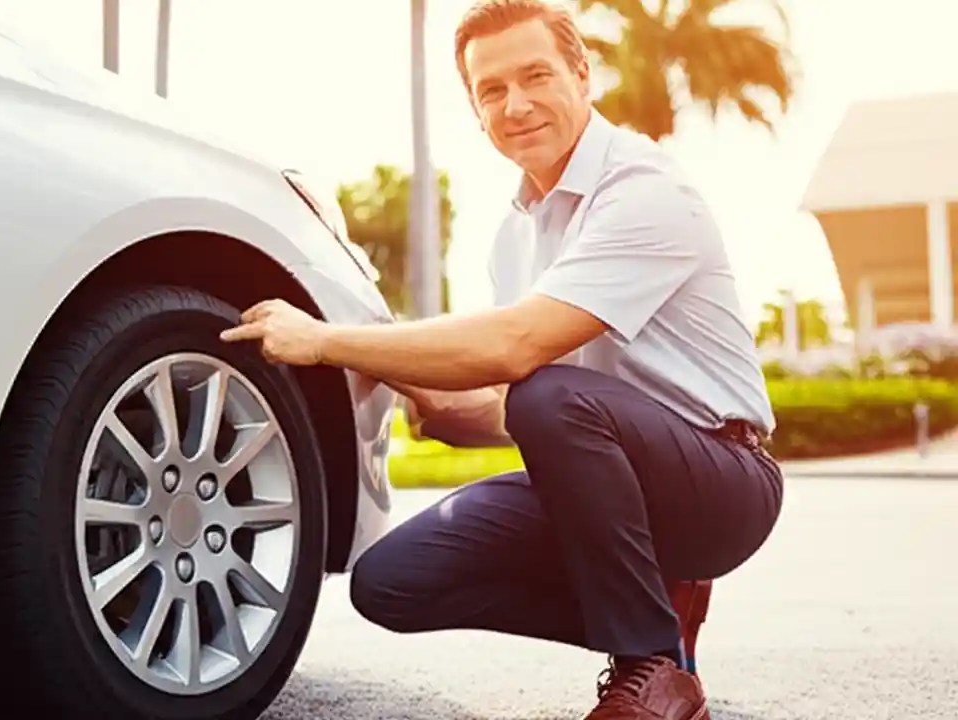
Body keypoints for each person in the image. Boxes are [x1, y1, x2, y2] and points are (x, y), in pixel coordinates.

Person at [220, 0, 783, 717]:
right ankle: (657, 612)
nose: (515, 105)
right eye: (491, 90)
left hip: (722, 484)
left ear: (583, 76)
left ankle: (652, 665)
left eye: (536, 76)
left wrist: (325, 339)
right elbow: (517, 407)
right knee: (391, 581)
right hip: (614, 478)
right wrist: (411, 383)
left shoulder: (645, 191)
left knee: (546, 396)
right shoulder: (514, 237)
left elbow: (522, 355)